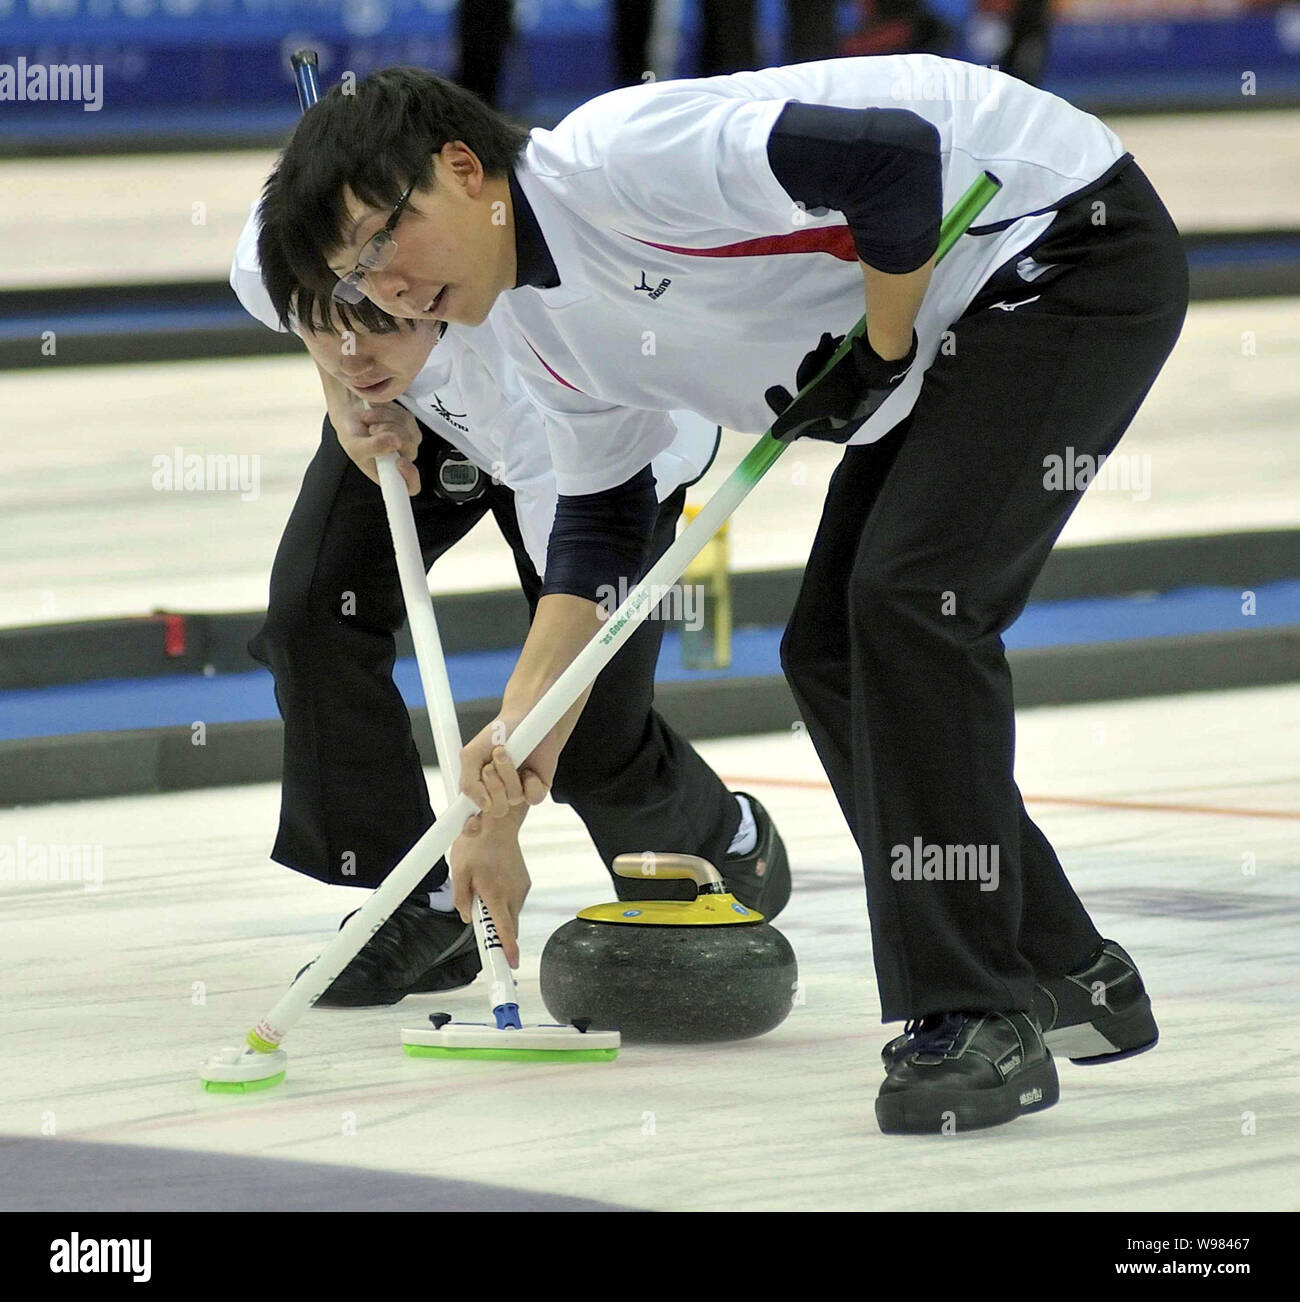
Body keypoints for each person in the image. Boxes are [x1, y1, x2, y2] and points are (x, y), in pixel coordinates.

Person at [260, 54, 1186, 1133]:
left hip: (1057, 244)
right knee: (832, 647)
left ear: (464, 170)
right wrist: (523, 731)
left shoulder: (621, 161)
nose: (392, 292)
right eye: (360, 281)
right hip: (949, 323)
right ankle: (1066, 968)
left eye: (384, 244)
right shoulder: (532, 333)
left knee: (908, 601)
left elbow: (894, 160)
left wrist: (881, 346)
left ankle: (976, 1012)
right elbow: (601, 531)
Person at [229, 205, 790, 1005]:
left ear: (424, 297)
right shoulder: (281, 253)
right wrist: (346, 399)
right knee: (313, 610)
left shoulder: (544, 378)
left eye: (374, 332)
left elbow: (566, 629)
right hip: (417, 411)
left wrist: (494, 831)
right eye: (327, 330)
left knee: (583, 724)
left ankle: (726, 841)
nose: (350, 354)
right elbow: (329, 325)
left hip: (599, 452)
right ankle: (419, 899)